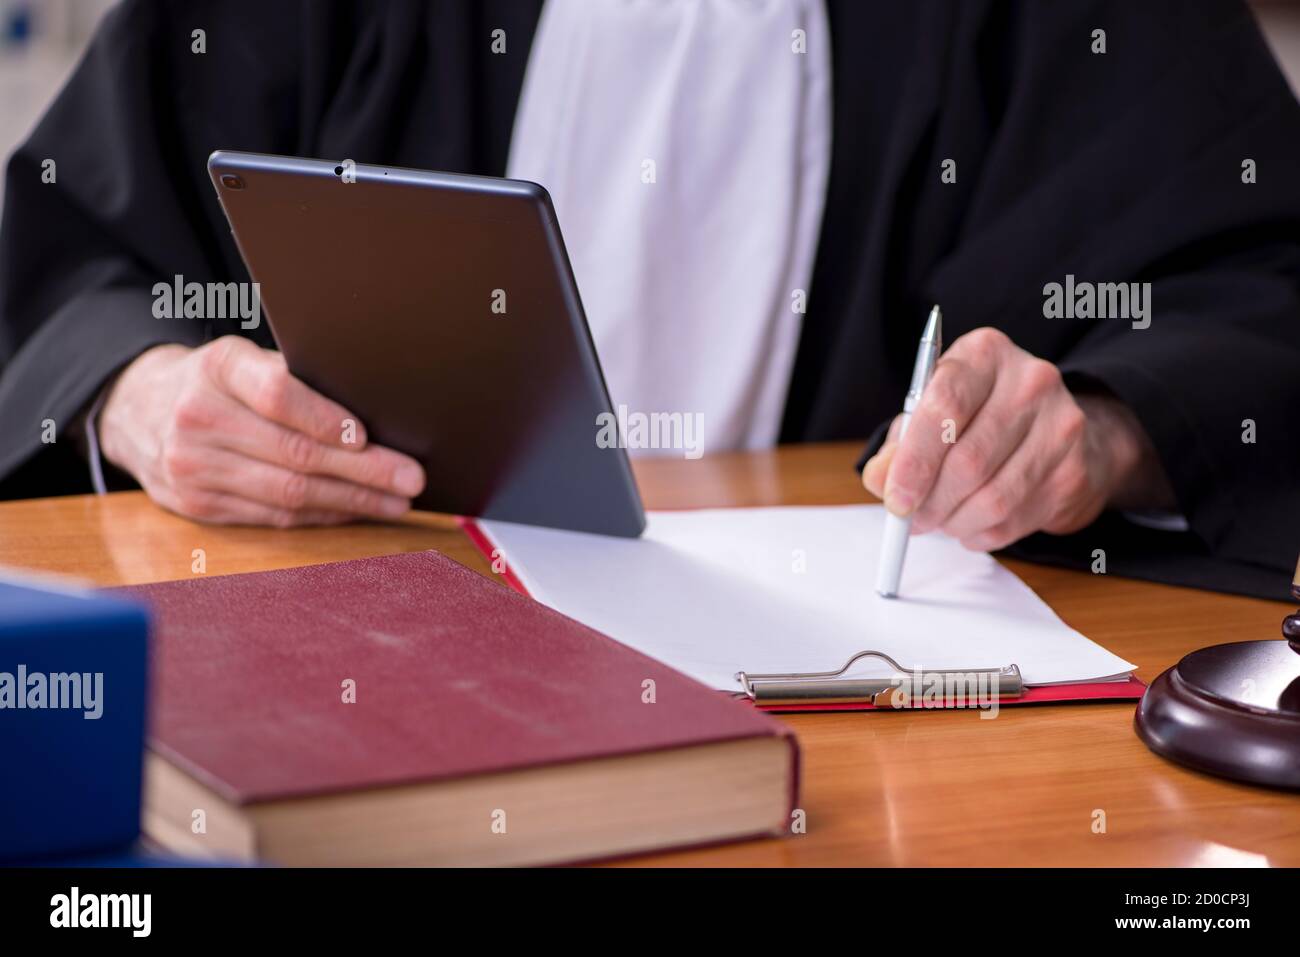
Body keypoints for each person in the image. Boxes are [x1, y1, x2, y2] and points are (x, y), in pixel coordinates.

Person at [1, 0, 1297, 589]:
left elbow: (1260, 282)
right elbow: (69, 253)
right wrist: (140, 392)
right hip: (369, 609)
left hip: (856, 708)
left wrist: (1106, 428)